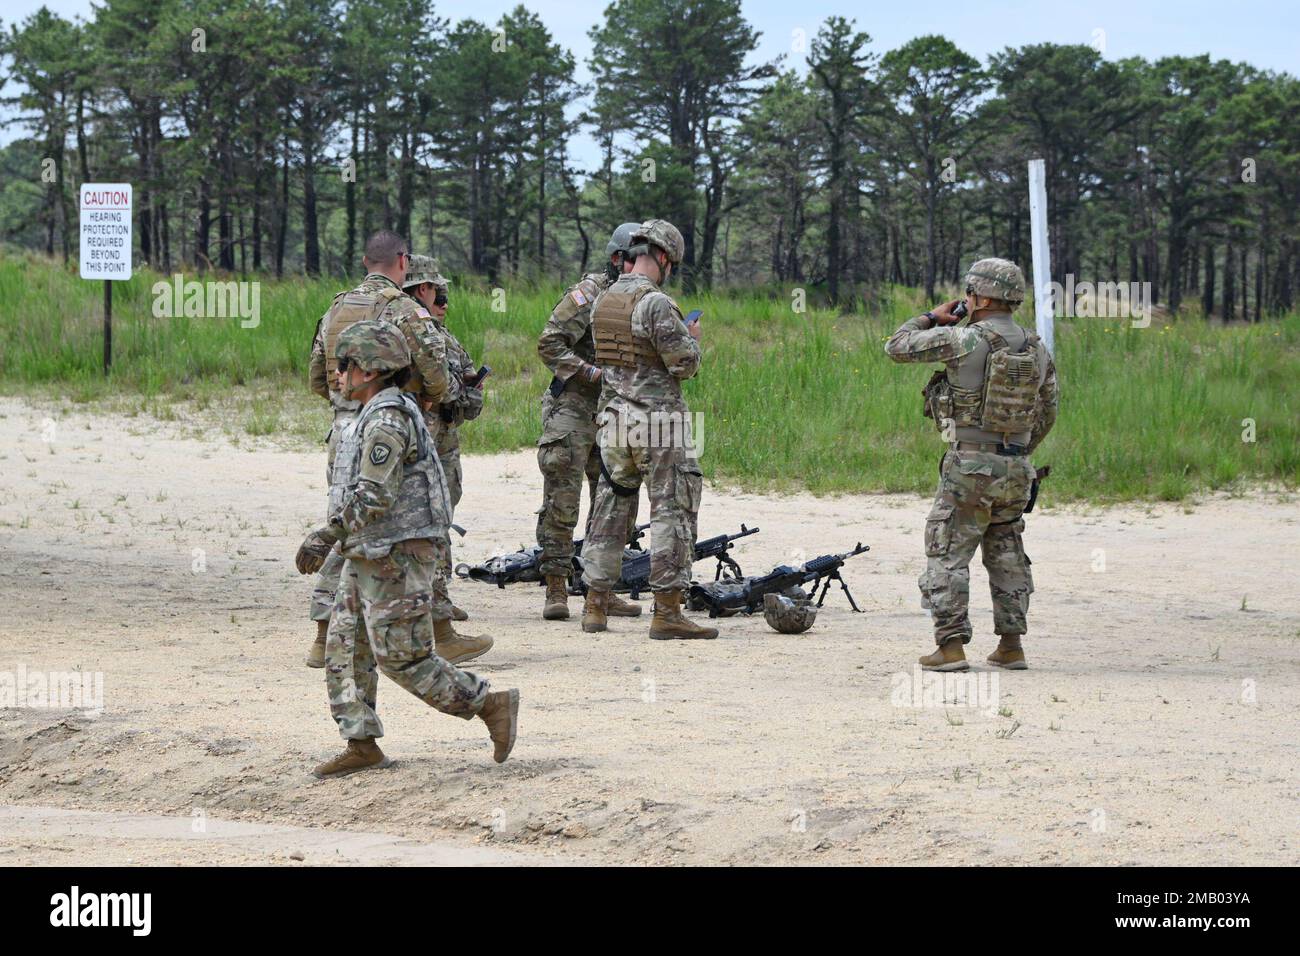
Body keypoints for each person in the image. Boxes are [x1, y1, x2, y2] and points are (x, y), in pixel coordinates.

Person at [305, 320, 518, 778]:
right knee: (346, 648)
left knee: (403, 657)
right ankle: (361, 742)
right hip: (368, 549)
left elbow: (374, 497)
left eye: (346, 365)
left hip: (396, 554)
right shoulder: (372, 413)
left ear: (371, 370)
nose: (338, 374)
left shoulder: (387, 420)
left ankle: (488, 703)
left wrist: (326, 536)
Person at [299, 231, 488, 668]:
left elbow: (315, 379)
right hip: (393, 432)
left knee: (348, 524)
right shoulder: (406, 311)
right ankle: (440, 634)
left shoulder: (335, 309)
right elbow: (440, 380)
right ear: (403, 261)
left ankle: (324, 634)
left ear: (366, 260)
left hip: (343, 433)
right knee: (421, 529)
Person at [884, 257, 1059, 671]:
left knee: (947, 550)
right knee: (1007, 551)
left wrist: (930, 317)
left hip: (969, 466)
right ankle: (1011, 645)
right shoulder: (1036, 346)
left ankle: (950, 646)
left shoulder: (962, 340)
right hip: (1017, 468)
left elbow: (895, 346)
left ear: (977, 297)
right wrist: (1017, 452)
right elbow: (1049, 410)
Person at [579, 219, 717, 640]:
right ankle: (668, 612)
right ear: (663, 258)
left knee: (609, 512)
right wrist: (693, 338)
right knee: (672, 510)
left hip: (614, 420)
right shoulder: (656, 303)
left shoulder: (604, 299)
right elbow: (683, 364)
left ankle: (595, 605)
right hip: (659, 423)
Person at [535, 223, 644, 621]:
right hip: (576, 406)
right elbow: (550, 342)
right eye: (634, 258)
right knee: (562, 499)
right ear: (617, 259)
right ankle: (556, 587)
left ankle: (600, 588)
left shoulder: (644, 299)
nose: (639, 266)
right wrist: (591, 374)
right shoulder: (590, 293)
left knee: (615, 501)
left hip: (616, 411)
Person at [402, 255, 481, 622]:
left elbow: (461, 374)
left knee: (442, 509)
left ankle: (438, 593)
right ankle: (429, 599)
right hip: (425, 435)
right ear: (423, 289)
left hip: (443, 434)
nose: (444, 302)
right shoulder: (414, 327)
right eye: (439, 293)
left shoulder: (437, 331)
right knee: (427, 512)